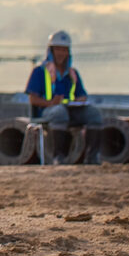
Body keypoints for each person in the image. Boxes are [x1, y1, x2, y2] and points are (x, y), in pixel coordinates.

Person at [23, 30, 91, 164]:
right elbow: (33, 99)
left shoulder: (72, 73)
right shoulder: (40, 72)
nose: (61, 53)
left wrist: (79, 100)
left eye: (64, 50)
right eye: (58, 49)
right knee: (59, 112)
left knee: (93, 114)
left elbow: (82, 95)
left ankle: (92, 157)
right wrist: (51, 103)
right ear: (51, 51)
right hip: (47, 111)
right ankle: (59, 156)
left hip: (70, 111)